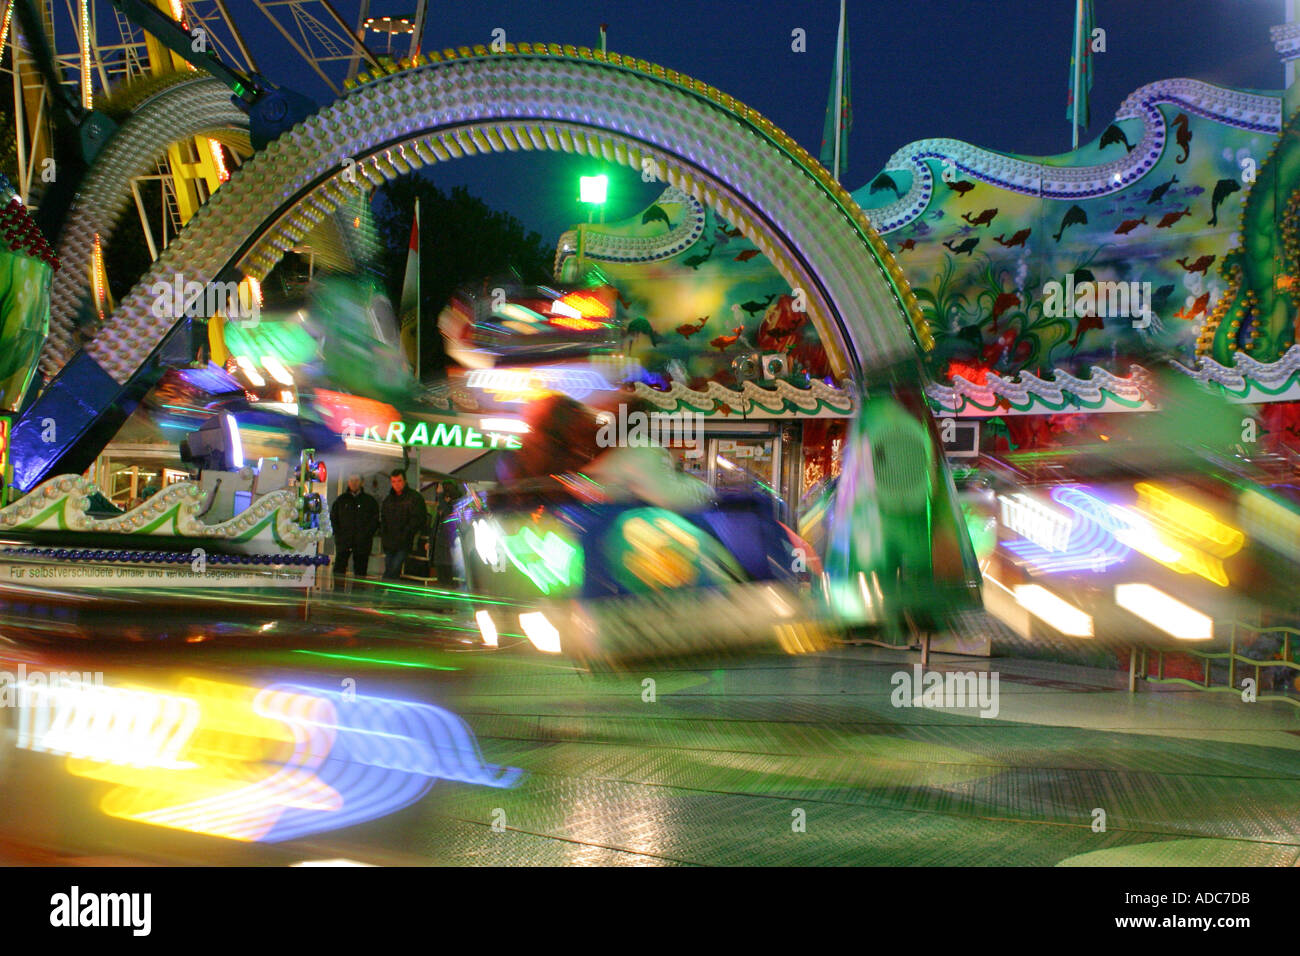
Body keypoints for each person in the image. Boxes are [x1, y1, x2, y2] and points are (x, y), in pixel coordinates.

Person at [329, 473, 378, 591]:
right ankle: (338, 594)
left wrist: (366, 535)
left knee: (360, 571)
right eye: (351, 480)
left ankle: (357, 597)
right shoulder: (341, 500)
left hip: (362, 543)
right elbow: (333, 519)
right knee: (339, 569)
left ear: (362, 482)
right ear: (348, 482)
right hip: (344, 541)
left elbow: (375, 521)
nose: (354, 483)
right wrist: (339, 535)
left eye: (356, 480)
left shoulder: (369, 501)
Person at [380, 468, 429, 580]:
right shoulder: (390, 500)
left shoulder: (412, 498)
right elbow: (383, 519)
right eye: (394, 481)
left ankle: (382, 591)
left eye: (399, 481)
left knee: (392, 569)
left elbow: (418, 519)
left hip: (403, 541)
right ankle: (386, 592)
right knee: (391, 568)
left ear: (405, 481)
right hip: (393, 542)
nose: (396, 484)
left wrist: (407, 532)